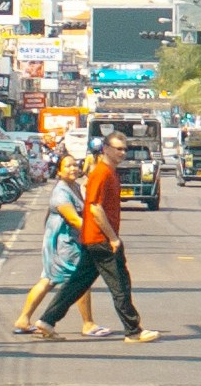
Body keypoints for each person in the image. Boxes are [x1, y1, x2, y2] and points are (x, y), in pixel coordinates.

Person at [34, 132, 152, 341]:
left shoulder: (108, 173)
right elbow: (95, 208)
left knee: (76, 285)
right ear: (106, 149)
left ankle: (47, 320)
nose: (122, 153)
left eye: (125, 149)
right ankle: (133, 330)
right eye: (118, 149)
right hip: (101, 240)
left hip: (93, 239)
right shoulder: (102, 173)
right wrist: (113, 238)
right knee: (120, 285)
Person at [14, 150, 90, 336]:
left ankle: (23, 319)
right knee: (80, 280)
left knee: (48, 280)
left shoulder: (75, 187)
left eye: (75, 165)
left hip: (65, 241)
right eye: (68, 166)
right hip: (64, 242)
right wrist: (97, 232)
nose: (73, 168)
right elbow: (74, 219)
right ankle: (88, 324)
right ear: (59, 171)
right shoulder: (61, 192)